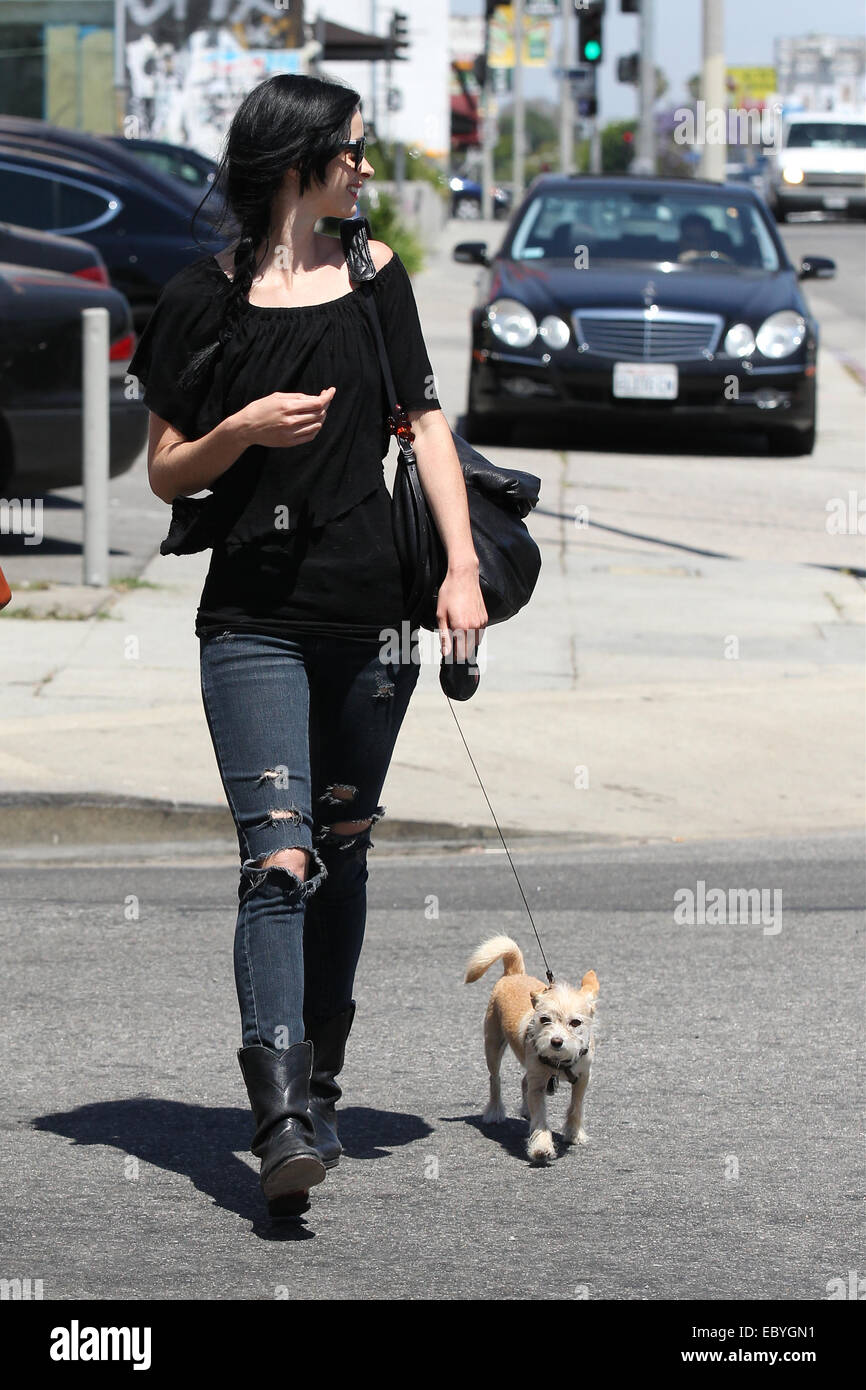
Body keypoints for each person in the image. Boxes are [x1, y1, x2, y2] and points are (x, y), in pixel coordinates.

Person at [128, 73, 487, 1222]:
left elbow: (424, 423)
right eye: (354, 152)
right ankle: (278, 1115)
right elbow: (165, 469)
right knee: (276, 854)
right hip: (251, 623)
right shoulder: (198, 300)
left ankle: (324, 1083)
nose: (366, 171)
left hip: (371, 619)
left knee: (342, 843)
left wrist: (462, 569)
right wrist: (236, 431)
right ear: (299, 162)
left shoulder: (377, 279)